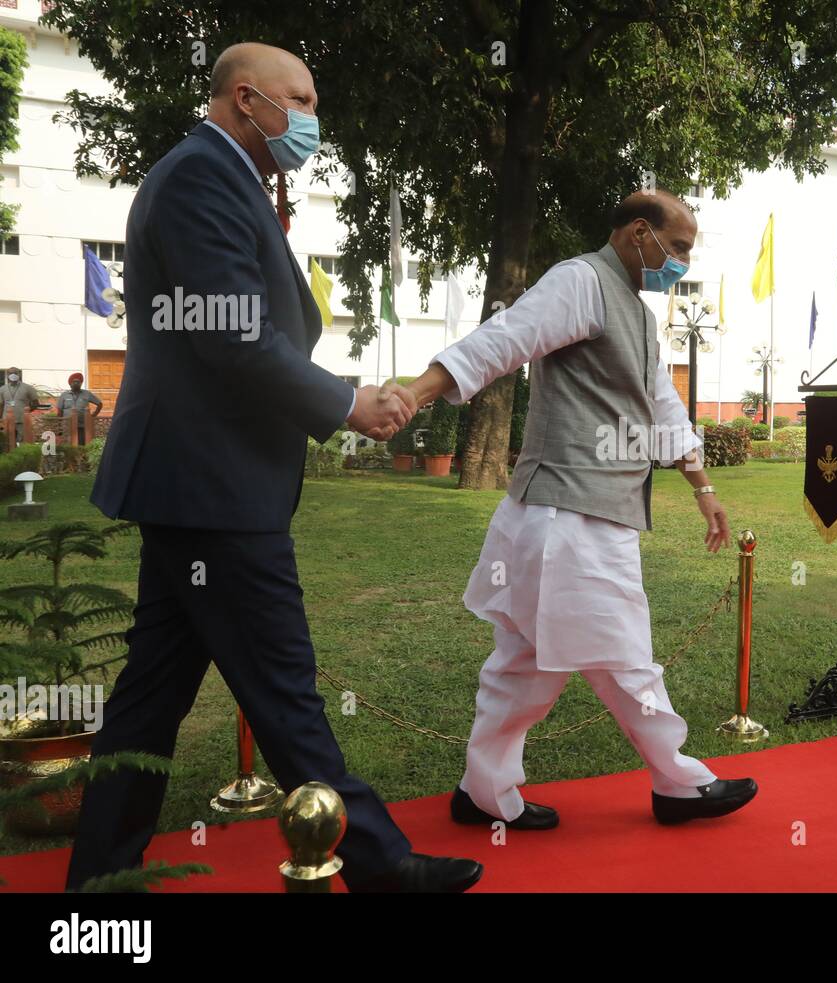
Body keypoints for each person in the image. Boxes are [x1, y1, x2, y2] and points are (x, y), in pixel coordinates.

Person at [66, 43, 481, 893]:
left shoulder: (216, 176)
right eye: (302, 100)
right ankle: (378, 861)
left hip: (197, 483)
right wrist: (345, 404)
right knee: (285, 690)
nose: (312, 120)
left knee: (151, 695)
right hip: (214, 487)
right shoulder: (198, 179)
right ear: (245, 99)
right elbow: (235, 337)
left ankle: (98, 875)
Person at [403, 190, 759, 831]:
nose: (680, 262)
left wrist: (704, 490)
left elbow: (661, 411)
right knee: (624, 657)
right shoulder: (581, 281)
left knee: (523, 668)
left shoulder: (641, 317)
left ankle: (482, 791)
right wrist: (416, 392)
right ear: (638, 233)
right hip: (571, 518)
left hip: (561, 517)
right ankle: (677, 783)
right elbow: (503, 341)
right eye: (677, 248)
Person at [56, 373, 102, 446]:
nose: (76, 383)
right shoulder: (64, 395)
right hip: (67, 425)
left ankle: (82, 457)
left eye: (78, 382)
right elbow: (60, 411)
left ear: (81, 383)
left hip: (82, 425)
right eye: (74, 382)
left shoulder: (87, 393)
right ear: (70, 384)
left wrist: (93, 415)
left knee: (82, 444)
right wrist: (59, 426)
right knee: (68, 444)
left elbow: (99, 404)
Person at [1, 366, 41, 445]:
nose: (13, 375)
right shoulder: (2, 389)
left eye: (15, 373)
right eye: (10, 373)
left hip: (22, 420)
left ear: (19, 374)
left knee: (23, 442)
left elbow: (36, 403)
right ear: (7, 375)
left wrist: (27, 411)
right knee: (8, 442)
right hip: (7, 421)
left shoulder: (28, 388)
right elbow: (1, 405)